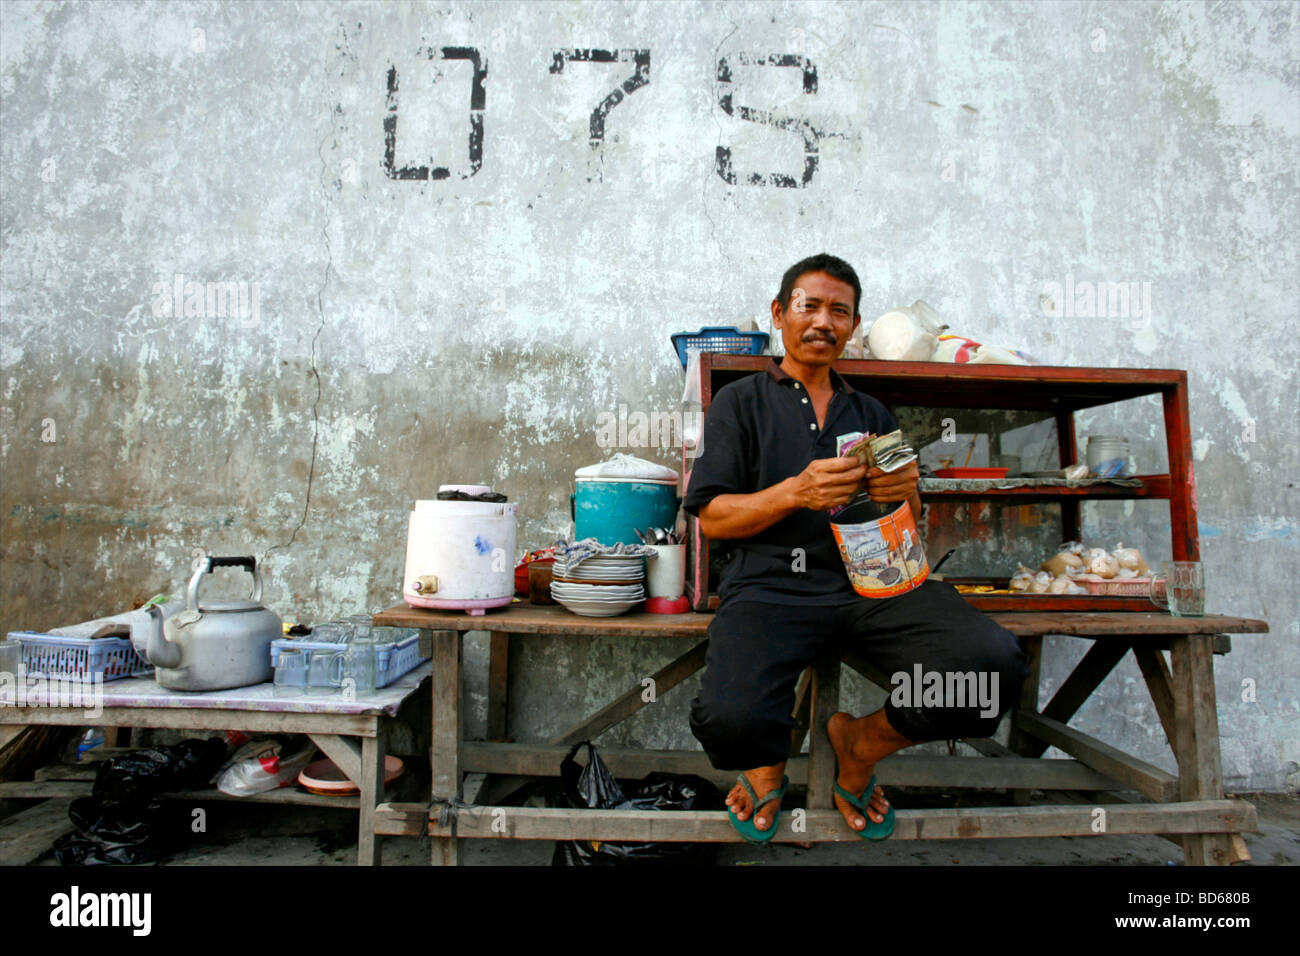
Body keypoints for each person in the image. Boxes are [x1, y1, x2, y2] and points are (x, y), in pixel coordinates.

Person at [683, 252, 1029, 842]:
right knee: (729, 717)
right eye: (808, 306)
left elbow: (909, 527)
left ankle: (860, 745)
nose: (823, 322)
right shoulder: (741, 401)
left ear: (853, 325)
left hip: (875, 584)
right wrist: (795, 492)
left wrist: (905, 494)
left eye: (839, 311)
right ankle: (765, 767)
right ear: (779, 313)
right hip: (771, 586)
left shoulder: (870, 412)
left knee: (988, 669)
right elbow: (713, 518)